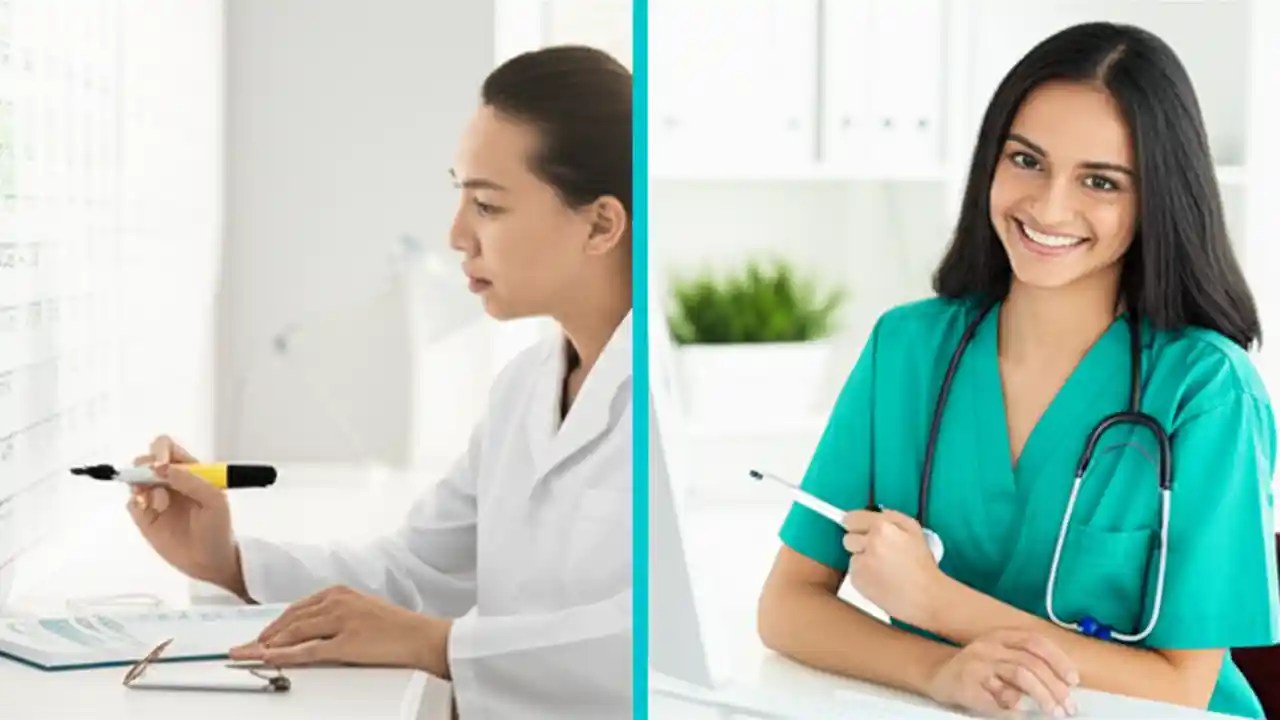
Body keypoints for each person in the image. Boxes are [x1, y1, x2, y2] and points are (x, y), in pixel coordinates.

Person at [758, 21, 1279, 719]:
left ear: (1157, 198)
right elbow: (788, 607)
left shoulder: (1206, 391)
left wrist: (936, 602)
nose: (1048, 206)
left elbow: (1179, 684)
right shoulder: (906, 350)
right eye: (1027, 161)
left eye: (1100, 181)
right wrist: (940, 671)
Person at [126, 45, 633, 719]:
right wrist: (227, 561)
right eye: (460, 196)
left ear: (600, 224)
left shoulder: (656, 410)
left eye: (487, 205)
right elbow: (413, 573)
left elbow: (649, 643)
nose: (456, 235)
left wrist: (441, 644)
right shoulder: (526, 387)